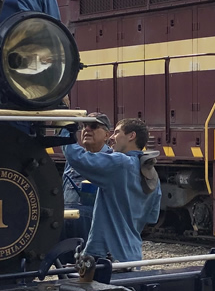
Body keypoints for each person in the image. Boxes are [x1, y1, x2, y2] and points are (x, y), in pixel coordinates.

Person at [61, 118, 160, 263]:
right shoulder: (152, 174)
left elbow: (77, 157)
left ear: (131, 136)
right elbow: (152, 217)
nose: (112, 137)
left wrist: (63, 128)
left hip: (106, 256)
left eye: (117, 132)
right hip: (132, 255)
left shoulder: (120, 163)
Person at [62, 112, 112, 245]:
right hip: (67, 224)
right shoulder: (72, 161)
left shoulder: (111, 159)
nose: (87, 130)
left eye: (94, 126)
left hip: (94, 230)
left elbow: (73, 154)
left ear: (107, 135)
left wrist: (64, 127)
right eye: (84, 126)